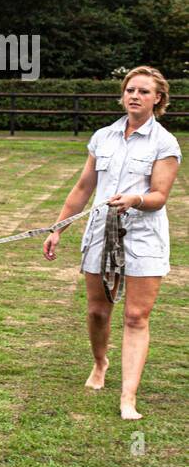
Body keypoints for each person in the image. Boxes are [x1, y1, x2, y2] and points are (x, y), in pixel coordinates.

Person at [43, 67, 181, 419]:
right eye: (130, 90)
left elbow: (159, 196)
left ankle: (127, 397)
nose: (135, 96)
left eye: (144, 91)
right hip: (100, 233)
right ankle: (100, 363)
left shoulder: (165, 143)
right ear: (123, 95)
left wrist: (135, 199)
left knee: (136, 316)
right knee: (97, 311)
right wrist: (57, 229)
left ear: (158, 99)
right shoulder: (103, 137)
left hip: (143, 237)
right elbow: (82, 188)